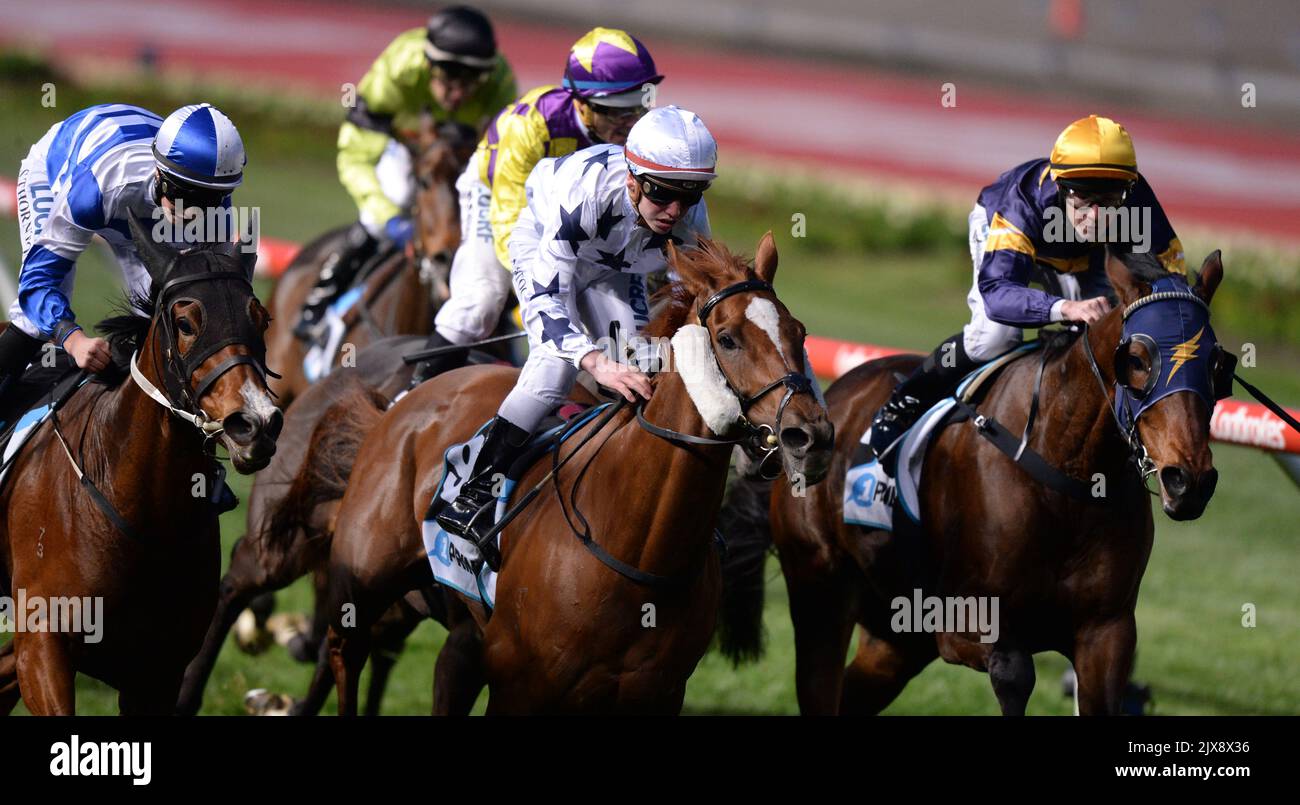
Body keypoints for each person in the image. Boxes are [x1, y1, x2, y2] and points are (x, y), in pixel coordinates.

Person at [436, 106, 716, 555]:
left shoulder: (686, 213)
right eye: (663, 194)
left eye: (692, 195)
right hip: (546, 248)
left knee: (644, 367)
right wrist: (595, 361)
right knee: (553, 371)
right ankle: (474, 485)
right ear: (632, 179)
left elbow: (696, 297)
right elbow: (549, 300)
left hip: (612, 269)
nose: (676, 211)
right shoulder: (586, 194)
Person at [865, 114, 1186, 463]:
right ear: (1061, 187)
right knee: (994, 336)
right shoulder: (1022, 202)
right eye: (1083, 199)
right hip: (1010, 239)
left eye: (1108, 201)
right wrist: (1065, 308)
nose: (1095, 217)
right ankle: (904, 403)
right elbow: (998, 292)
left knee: (1110, 336)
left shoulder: (1137, 198)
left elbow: (1172, 276)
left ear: (1127, 188)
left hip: (1085, 258)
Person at [408, 27, 663, 385]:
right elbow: (510, 221)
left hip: (572, 215)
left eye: (637, 107)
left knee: (623, 328)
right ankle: (412, 390)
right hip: (498, 198)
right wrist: (541, 290)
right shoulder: (528, 126)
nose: (630, 122)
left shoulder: (642, 131)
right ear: (580, 102)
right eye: (615, 112)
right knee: (482, 302)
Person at [1, 101, 247, 411]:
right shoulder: (97, 189)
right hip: (59, 167)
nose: (193, 211)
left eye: (209, 200)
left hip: (139, 189)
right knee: (35, 321)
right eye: (185, 194)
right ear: (160, 172)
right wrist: (73, 340)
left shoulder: (213, 199)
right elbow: (37, 283)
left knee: (161, 315)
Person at [294, 5, 517, 340]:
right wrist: (388, 219)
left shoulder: (500, 81)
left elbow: (503, 160)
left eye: (470, 85)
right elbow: (356, 153)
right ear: (428, 67)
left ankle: (504, 320)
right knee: (396, 193)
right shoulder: (399, 69)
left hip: (462, 156)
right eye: (449, 83)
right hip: (403, 149)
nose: (458, 95)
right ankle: (320, 298)